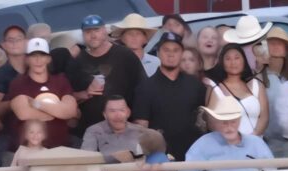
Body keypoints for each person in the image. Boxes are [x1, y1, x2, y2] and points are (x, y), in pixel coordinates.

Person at [67, 15, 145, 140]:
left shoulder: (124, 55)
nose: (93, 35)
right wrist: (84, 93)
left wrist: (140, 123)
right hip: (88, 133)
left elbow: (142, 90)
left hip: (123, 131)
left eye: (96, 30)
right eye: (88, 31)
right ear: (82, 35)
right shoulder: (77, 61)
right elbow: (67, 95)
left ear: (104, 31)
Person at [132, 32, 207, 162]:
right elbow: (141, 127)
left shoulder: (195, 85)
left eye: (176, 50)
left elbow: (205, 119)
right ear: (158, 53)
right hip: (160, 157)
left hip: (194, 154)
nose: (171, 54)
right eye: (166, 50)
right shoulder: (145, 87)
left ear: (181, 53)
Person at [182, 98, 274, 171]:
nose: (229, 127)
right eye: (224, 123)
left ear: (239, 120)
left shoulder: (256, 143)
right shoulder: (205, 143)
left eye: (233, 122)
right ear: (216, 123)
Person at [8, 38, 77, 150]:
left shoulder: (61, 80)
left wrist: (36, 104)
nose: (38, 60)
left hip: (60, 147)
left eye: (42, 55)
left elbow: (70, 111)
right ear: (27, 59)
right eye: (33, 56)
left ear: (48, 59)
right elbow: (24, 113)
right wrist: (57, 112)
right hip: (29, 149)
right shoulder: (18, 83)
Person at [206, 43, 269, 137]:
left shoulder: (257, 85)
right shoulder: (216, 88)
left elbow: (265, 116)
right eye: (228, 59)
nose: (233, 62)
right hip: (228, 145)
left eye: (237, 58)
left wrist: (252, 138)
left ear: (244, 60)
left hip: (255, 144)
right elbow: (211, 122)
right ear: (222, 63)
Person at [112, 13, 160, 77]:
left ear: (145, 39)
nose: (134, 37)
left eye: (138, 34)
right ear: (122, 38)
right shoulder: (115, 63)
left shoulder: (157, 63)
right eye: (129, 33)